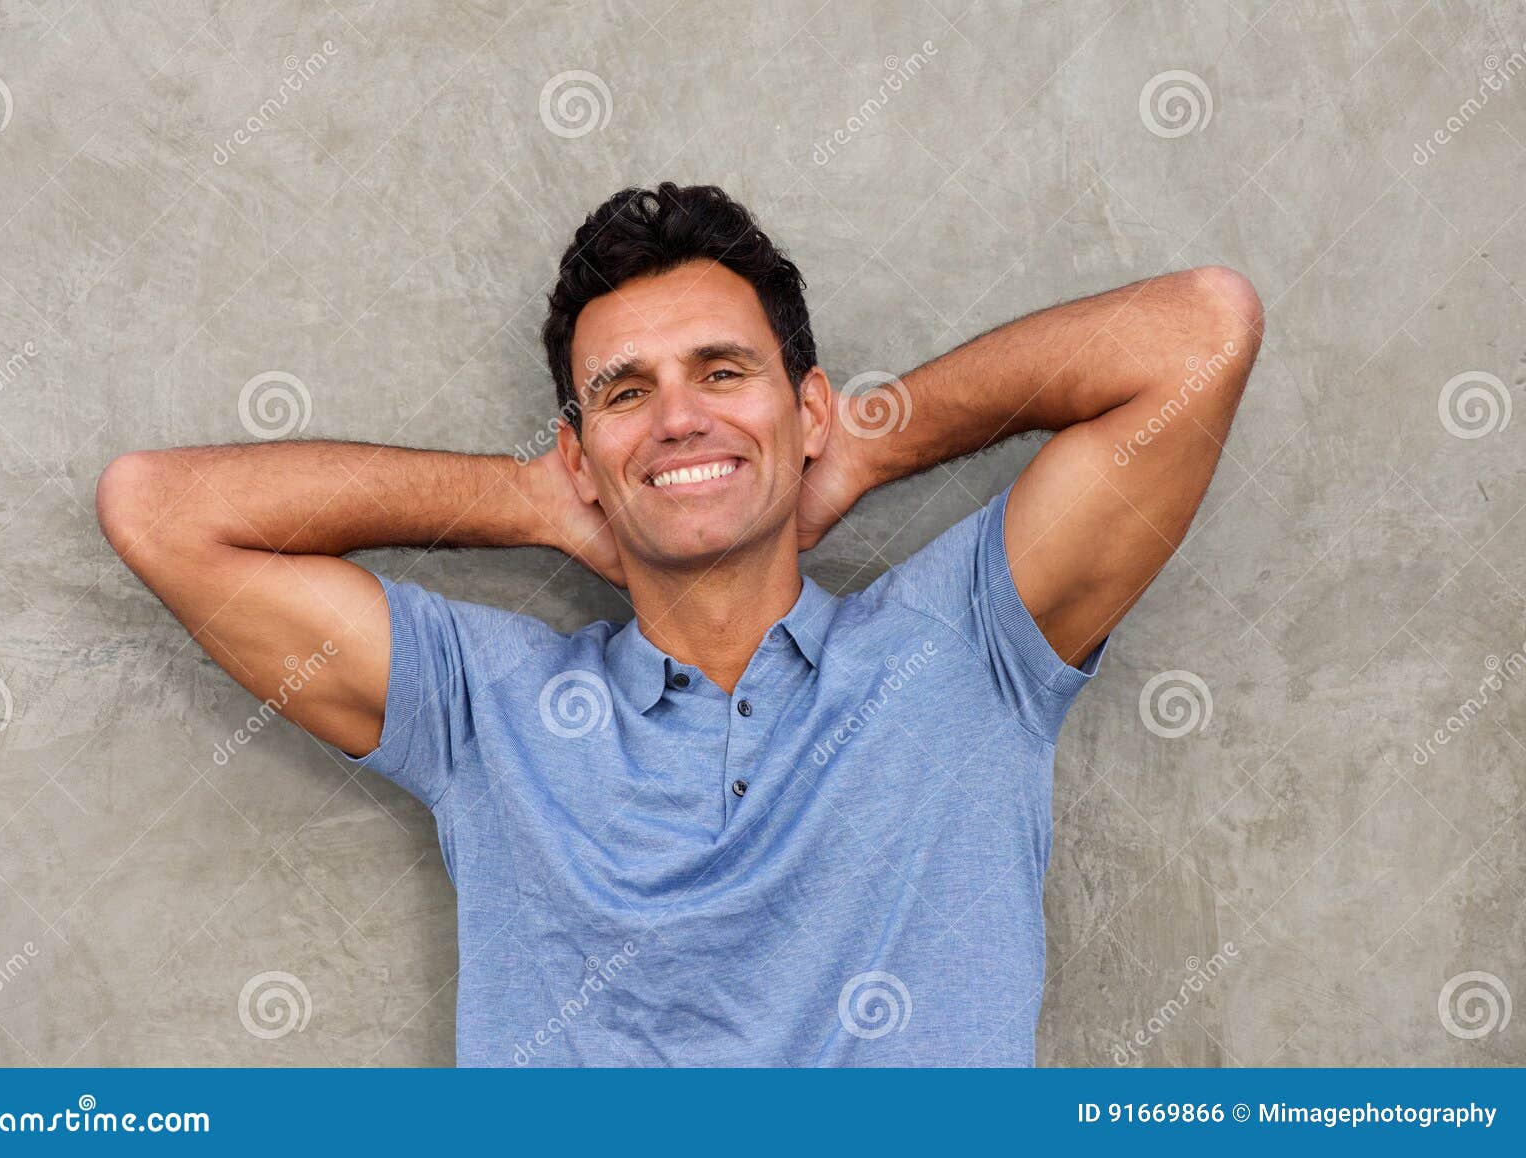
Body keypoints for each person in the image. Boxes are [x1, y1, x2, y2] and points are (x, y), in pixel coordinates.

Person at [95, 182, 1262, 1066]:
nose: (678, 421)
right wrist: (529, 502)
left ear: (803, 405)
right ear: (579, 450)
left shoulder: (966, 650)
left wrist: (867, 441)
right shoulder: (481, 707)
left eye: (722, 373)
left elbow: (1199, 328)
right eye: (625, 393)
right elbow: (159, 510)